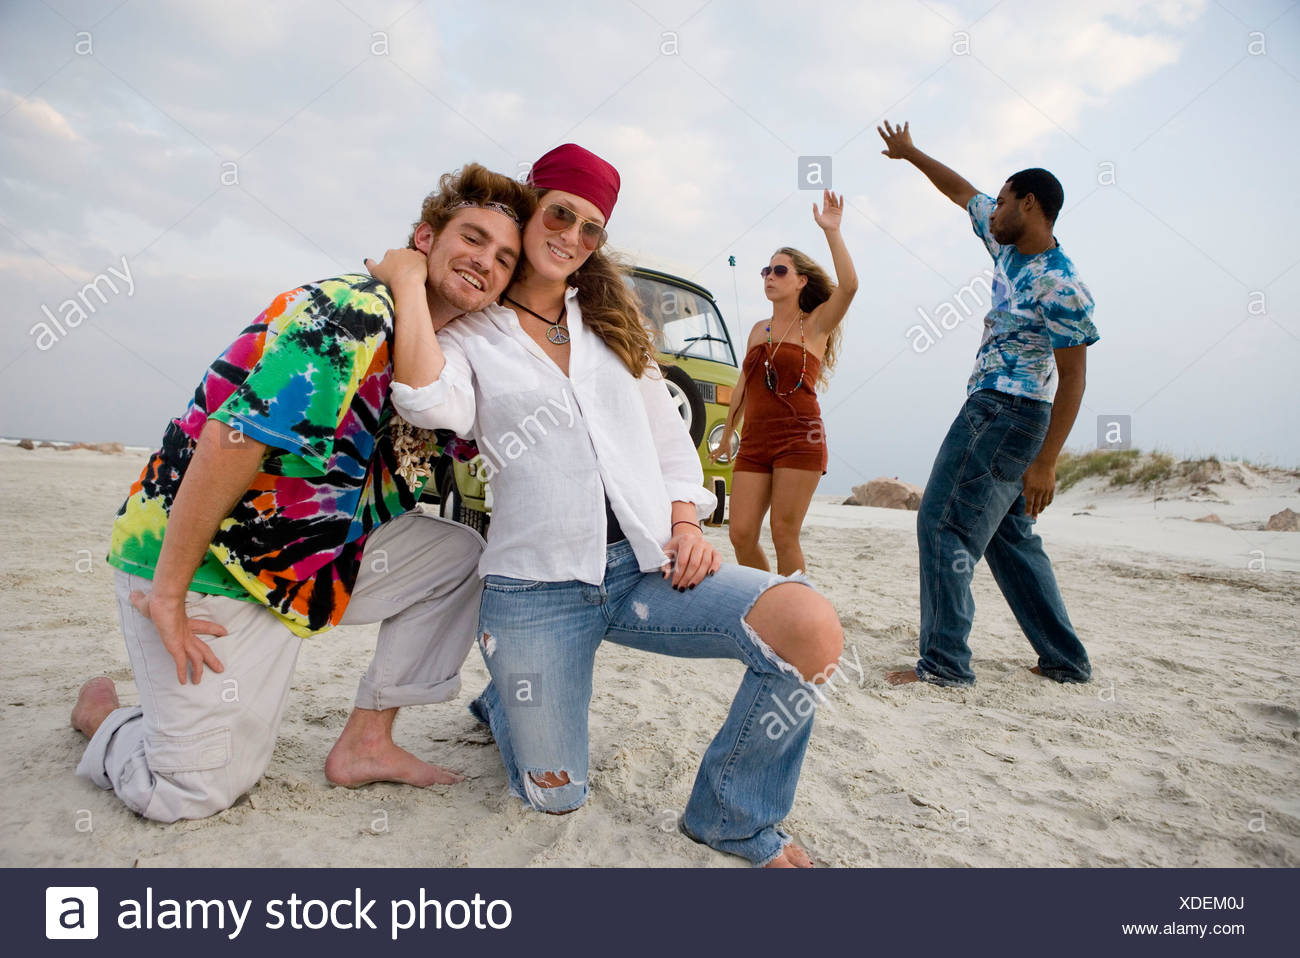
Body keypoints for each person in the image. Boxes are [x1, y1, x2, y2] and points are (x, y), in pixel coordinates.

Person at [370, 143, 844, 868]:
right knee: (555, 793)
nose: (572, 236)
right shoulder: (469, 332)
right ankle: (509, 698)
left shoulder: (616, 328)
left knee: (808, 624)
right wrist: (408, 278)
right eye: (561, 214)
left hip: (647, 570)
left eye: (591, 229)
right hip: (537, 590)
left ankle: (733, 818)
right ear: (531, 211)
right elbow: (431, 403)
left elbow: (670, 442)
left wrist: (687, 523)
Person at [70, 164, 535, 822]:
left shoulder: (445, 356)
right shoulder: (355, 314)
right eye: (473, 237)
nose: (485, 261)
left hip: (306, 562)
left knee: (457, 552)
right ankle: (104, 715)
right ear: (424, 239)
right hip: (211, 561)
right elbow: (235, 438)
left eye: (505, 258)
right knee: (191, 791)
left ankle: (368, 742)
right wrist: (169, 593)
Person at [876, 119, 1096, 688]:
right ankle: (1065, 661)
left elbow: (1073, 378)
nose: (990, 209)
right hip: (1001, 412)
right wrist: (911, 151)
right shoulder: (1004, 243)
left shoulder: (1060, 282)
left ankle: (945, 666)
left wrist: (1046, 462)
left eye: (1001, 201)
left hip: (1006, 412)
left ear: (1029, 204)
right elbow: (958, 191)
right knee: (1010, 538)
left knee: (941, 523)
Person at [712, 191, 857, 575]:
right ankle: (772, 602)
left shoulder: (817, 324)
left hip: (800, 438)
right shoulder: (760, 330)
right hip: (756, 441)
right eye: (766, 270)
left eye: (779, 271)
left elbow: (849, 286)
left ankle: (797, 616)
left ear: (800, 281)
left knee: (783, 534)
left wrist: (832, 232)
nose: (769, 276)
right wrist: (728, 435)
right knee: (740, 534)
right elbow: (744, 383)